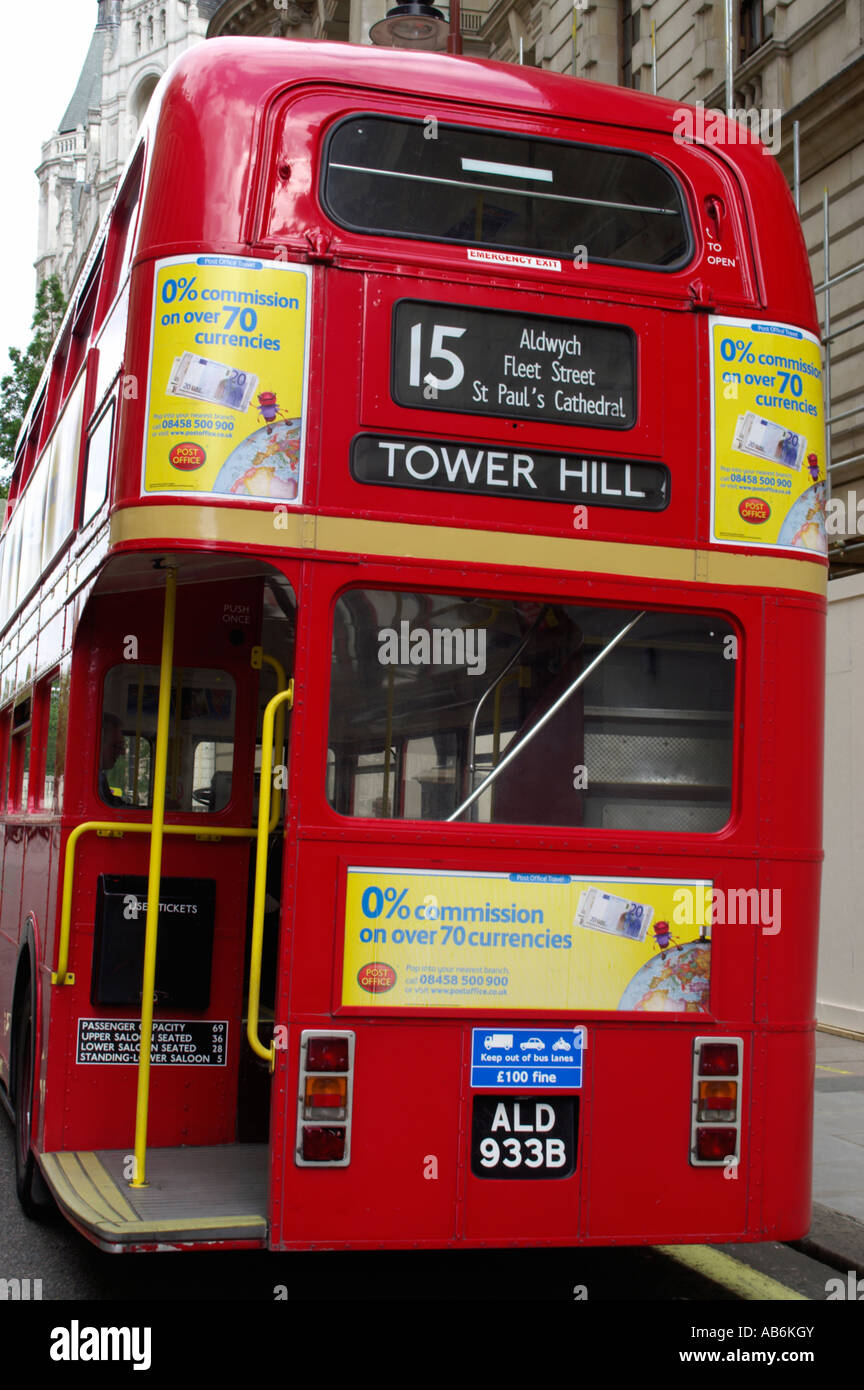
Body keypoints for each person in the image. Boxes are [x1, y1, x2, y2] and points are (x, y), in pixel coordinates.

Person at [99, 713, 126, 805]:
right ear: (98, 744)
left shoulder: (100, 778)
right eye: (115, 746)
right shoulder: (96, 781)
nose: (123, 752)